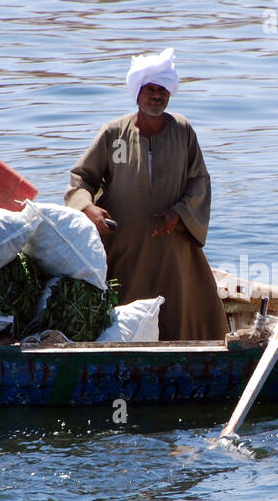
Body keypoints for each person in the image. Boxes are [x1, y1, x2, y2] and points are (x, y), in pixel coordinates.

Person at [65, 47, 229, 341]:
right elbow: (81, 179)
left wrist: (179, 213)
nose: (156, 95)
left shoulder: (182, 130)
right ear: (137, 93)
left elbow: (199, 182)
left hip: (174, 249)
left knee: (181, 314)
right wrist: (88, 209)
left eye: (162, 89)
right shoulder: (114, 134)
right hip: (126, 249)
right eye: (150, 89)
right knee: (125, 318)